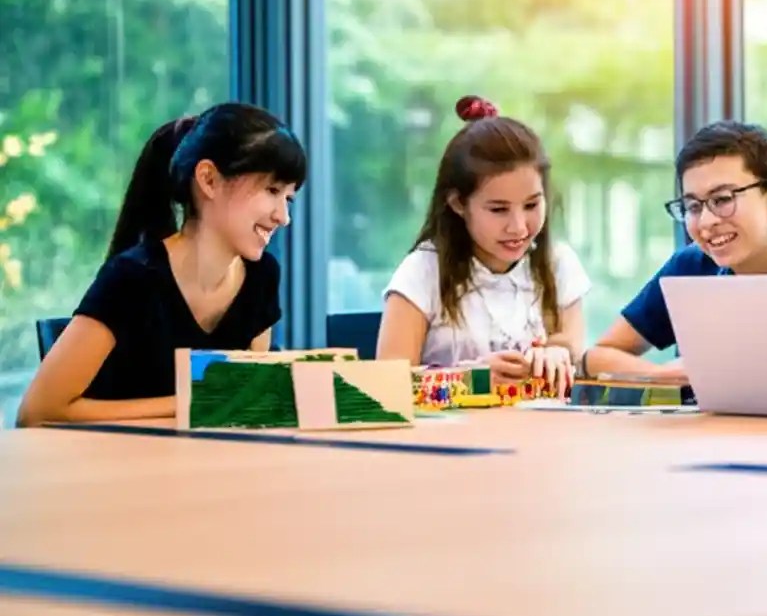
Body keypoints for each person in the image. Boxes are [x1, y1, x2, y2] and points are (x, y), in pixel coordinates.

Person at [18, 103, 306, 426]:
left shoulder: (261, 275)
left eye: (288, 198)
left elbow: (246, 403)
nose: (284, 217)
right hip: (114, 456)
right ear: (209, 180)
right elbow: (36, 412)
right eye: (272, 190)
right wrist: (188, 403)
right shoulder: (133, 278)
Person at [583, 120, 767, 385]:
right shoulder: (691, 267)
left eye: (722, 199)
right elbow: (596, 357)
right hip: (710, 428)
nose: (706, 222)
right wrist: (664, 375)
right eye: (693, 206)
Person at [377, 95, 591, 395]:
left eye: (532, 205)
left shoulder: (558, 263)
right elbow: (386, 386)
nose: (519, 226)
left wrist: (559, 353)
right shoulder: (424, 270)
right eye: (499, 209)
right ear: (458, 203)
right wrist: (467, 380)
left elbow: (574, 350)